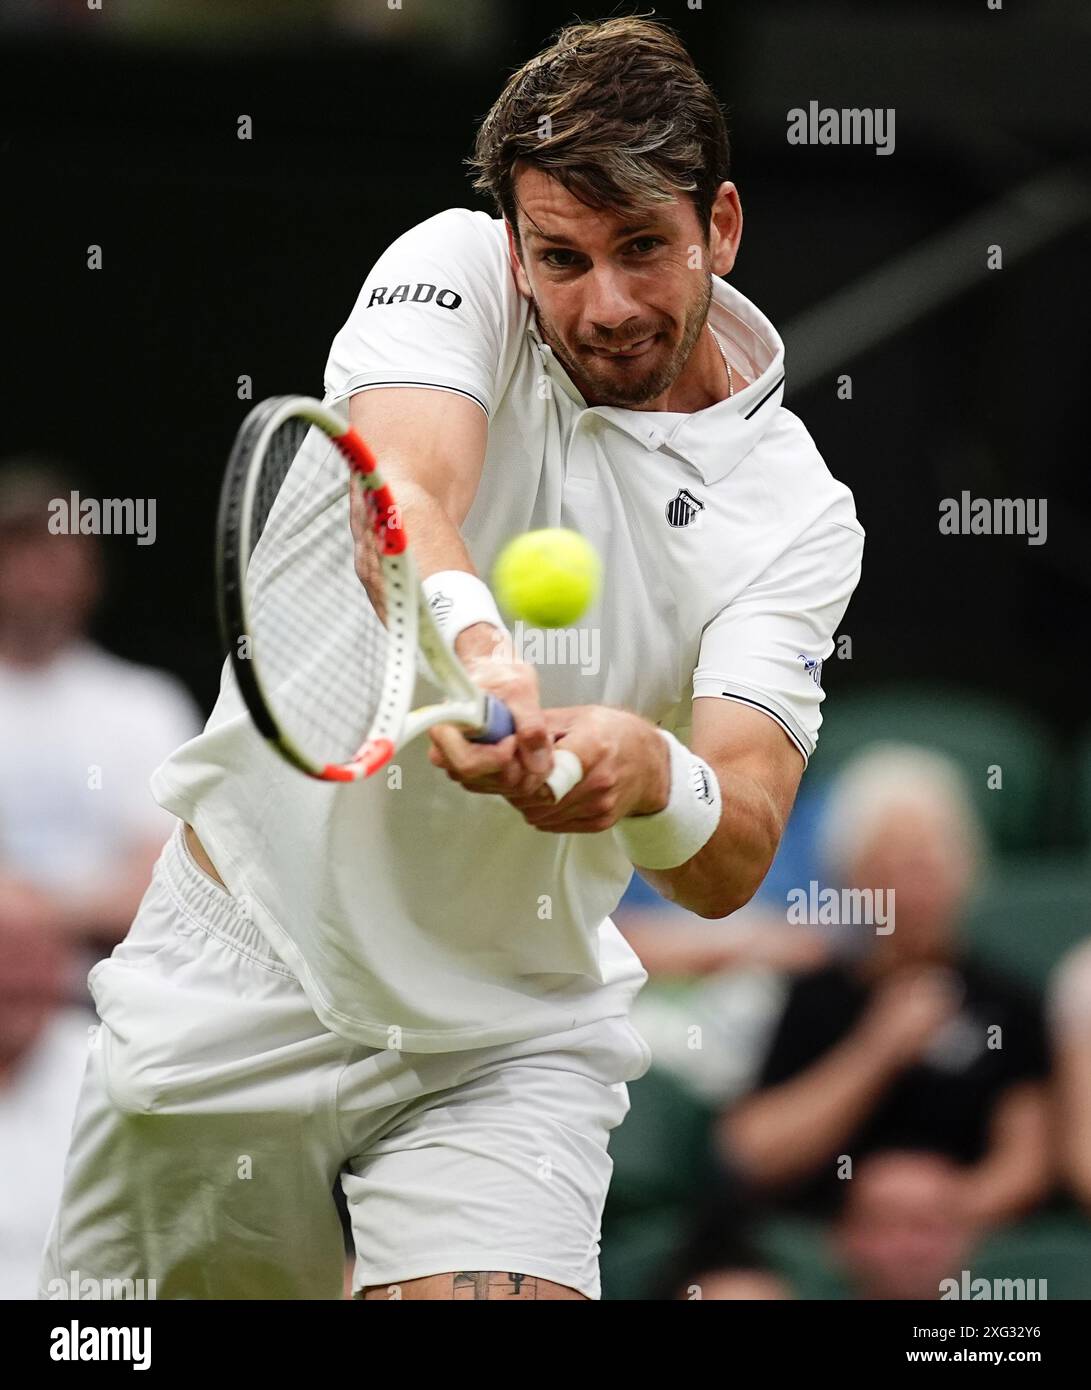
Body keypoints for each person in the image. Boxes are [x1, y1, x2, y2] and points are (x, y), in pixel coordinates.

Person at [42, 16, 863, 1301]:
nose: (602, 304)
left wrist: (643, 769)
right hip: (243, 967)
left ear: (723, 227)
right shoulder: (450, 270)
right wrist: (485, 648)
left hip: (506, 1026)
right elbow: (406, 497)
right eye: (562, 256)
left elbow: (734, 848)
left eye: (643, 247)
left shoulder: (799, 517)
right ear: (514, 241)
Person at [725, 744, 1053, 1230]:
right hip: (826, 1235)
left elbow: (1026, 1165)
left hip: (961, 1238)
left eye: (928, 863)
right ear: (854, 880)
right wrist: (878, 1048)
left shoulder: (1006, 1002)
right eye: (892, 867)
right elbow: (753, 1150)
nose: (913, 887)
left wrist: (920, 1220)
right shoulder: (816, 994)